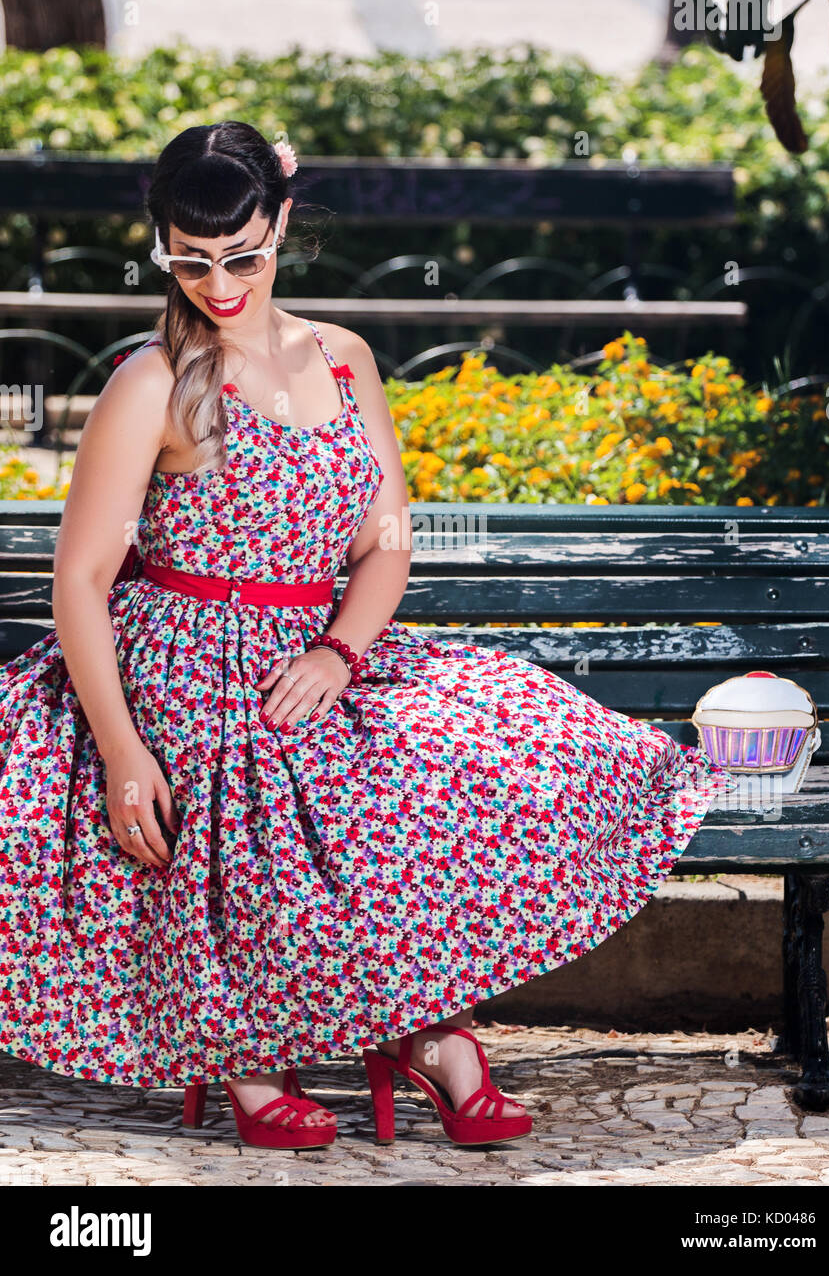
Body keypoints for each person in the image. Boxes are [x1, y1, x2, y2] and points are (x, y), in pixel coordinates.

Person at [0, 120, 732, 1151]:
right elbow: (78, 579)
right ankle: (254, 1049)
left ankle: (425, 1029)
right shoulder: (151, 381)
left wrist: (338, 651)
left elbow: (385, 542)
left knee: (485, 747)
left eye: (244, 257)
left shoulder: (343, 360)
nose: (220, 284)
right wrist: (122, 752)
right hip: (177, 655)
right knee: (255, 788)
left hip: (323, 647)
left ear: (283, 226)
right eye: (193, 261)